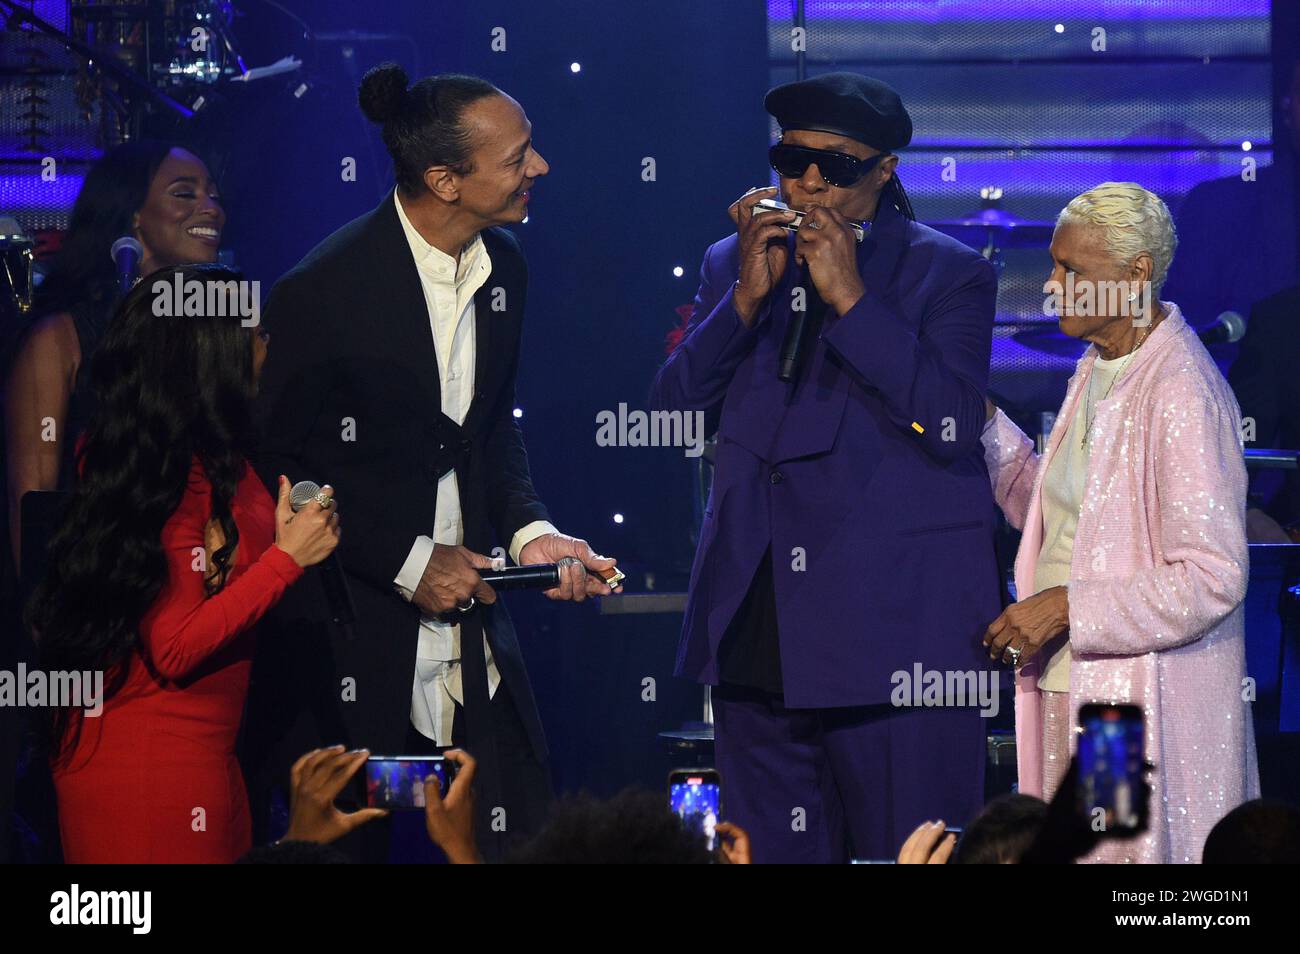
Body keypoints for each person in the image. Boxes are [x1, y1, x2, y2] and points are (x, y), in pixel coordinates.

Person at [246, 64, 620, 862]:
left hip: (472, 637)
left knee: (517, 837)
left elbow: (489, 432)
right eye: (518, 158)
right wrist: (407, 559)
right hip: (355, 639)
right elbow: (276, 461)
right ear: (445, 180)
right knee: (352, 851)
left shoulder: (505, 269)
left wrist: (531, 535)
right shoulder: (322, 289)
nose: (540, 169)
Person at [649, 72, 1002, 863]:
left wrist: (851, 298)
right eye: (791, 159)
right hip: (758, 617)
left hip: (895, 631)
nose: (808, 181)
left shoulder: (948, 274)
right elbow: (674, 403)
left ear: (885, 172)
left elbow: (950, 424)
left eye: (837, 167)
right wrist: (742, 298)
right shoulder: (730, 262)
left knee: (907, 850)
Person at [981, 182, 1259, 863]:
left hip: (1123, 718)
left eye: (1071, 269)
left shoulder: (1180, 389)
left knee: (1113, 870)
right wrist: (978, 421)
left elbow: (1213, 575)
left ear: (1136, 275)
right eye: (1053, 264)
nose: (1052, 285)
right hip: (1071, 687)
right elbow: (1064, 523)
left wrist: (1067, 607)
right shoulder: (1101, 367)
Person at [26, 263, 339, 863]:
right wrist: (285, 558)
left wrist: (283, 544)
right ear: (211, 352)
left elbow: (218, 593)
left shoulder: (213, 454)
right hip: (148, 765)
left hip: (209, 755)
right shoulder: (164, 469)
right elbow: (173, 645)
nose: (265, 341)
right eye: (252, 329)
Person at [4, 142, 226, 570]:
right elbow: (32, 504)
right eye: (185, 193)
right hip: (97, 600)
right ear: (132, 216)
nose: (211, 208)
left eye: (214, 194)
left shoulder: (214, 332)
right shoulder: (62, 337)